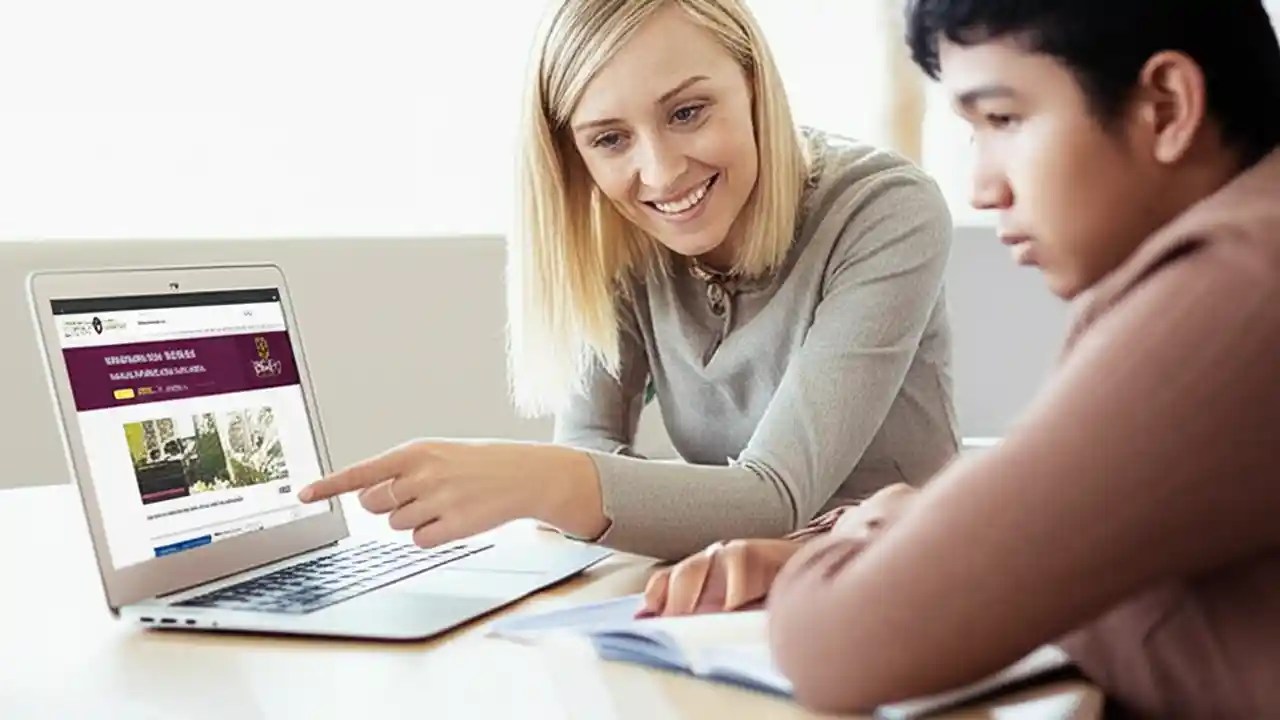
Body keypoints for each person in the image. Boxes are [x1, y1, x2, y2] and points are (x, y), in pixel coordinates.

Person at [645, 0, 1280, 715]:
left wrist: (877, 529)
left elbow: (840, 645)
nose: (982, 188)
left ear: (1164, 106)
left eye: (1004, 120)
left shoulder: (1237, 285)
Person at [293, 0, 961, 561]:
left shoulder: (885, 208)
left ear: (755, 83)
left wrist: (533, 479)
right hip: (736, 590)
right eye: (609, 139)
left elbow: (774, 496)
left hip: (907, 579)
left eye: (688, 112)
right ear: (573, 156)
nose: (662, 173)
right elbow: (588, 443)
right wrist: (567, 482)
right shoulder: (624, 237)